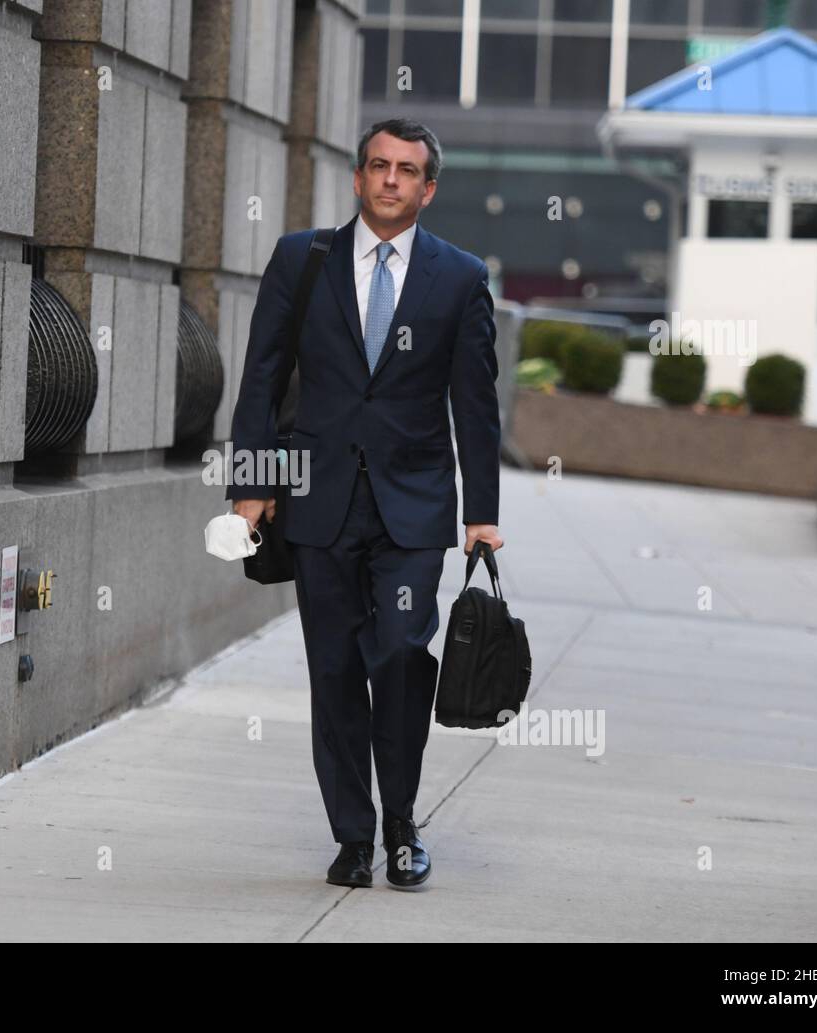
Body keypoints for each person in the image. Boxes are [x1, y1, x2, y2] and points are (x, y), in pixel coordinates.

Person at [225, 118, 503, 889]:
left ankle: (402, 824)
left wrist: (482, 512)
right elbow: (261, 378)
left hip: (412, 507)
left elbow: (475, 405)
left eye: (406, 170)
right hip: (317, 503)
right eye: (378, 166)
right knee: (336, 670)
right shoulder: (300, 259)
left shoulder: (459, 277)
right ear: (357, 178)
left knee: (404, 658)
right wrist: (252, 488)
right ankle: (352, 837)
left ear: (428, 188)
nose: (389, 180)